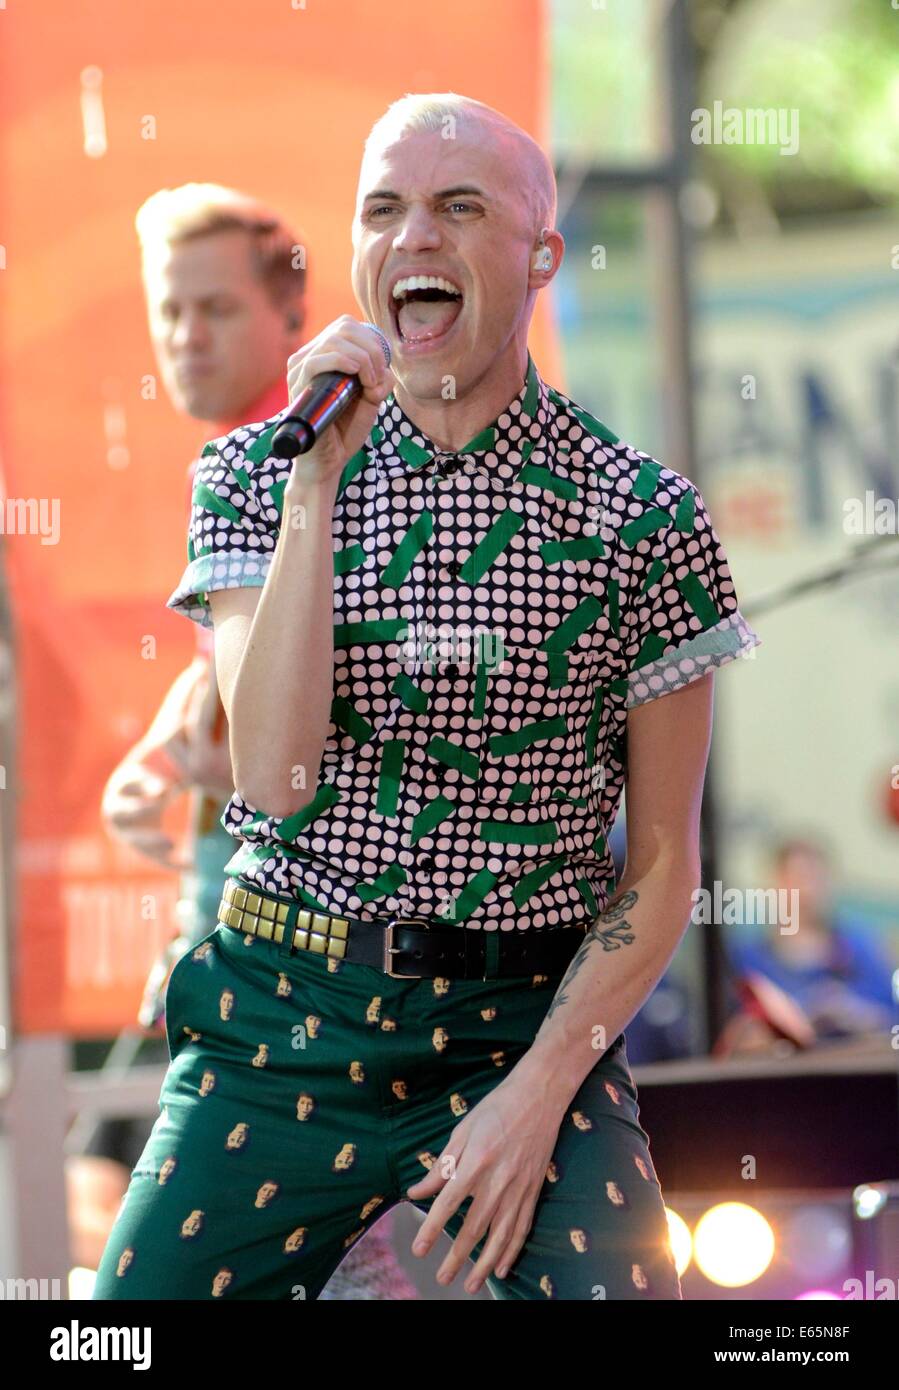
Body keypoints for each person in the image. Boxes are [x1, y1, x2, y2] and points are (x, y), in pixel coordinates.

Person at [93, 91, 761, 1302]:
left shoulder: (639, 512)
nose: (415, 239)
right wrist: (315, 492)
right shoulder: (259, 471)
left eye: (461, 209)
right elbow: (273, 779)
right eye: (384, 211)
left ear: (539, 254)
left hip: (523, 1018)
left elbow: (661, 863)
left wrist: (536, 1093)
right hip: (284, 1007)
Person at [71, 182, 414, 1298]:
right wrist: (170, 748)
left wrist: (179, 754)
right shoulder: (238, 458)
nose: (185, 336)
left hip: (343, 949)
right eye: (170, 312)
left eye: (214, 308)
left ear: (289, 313)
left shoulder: (320, 437)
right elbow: (238, 680)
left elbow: (276, 727)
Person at [726, 834, 898, 1040]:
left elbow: (890, 1019)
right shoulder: (746, 959)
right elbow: (729, 1031)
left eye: (814, 878)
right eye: (794, 879)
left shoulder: (860, 951)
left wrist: (854, 1012)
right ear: (771, 886)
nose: (806, 890)